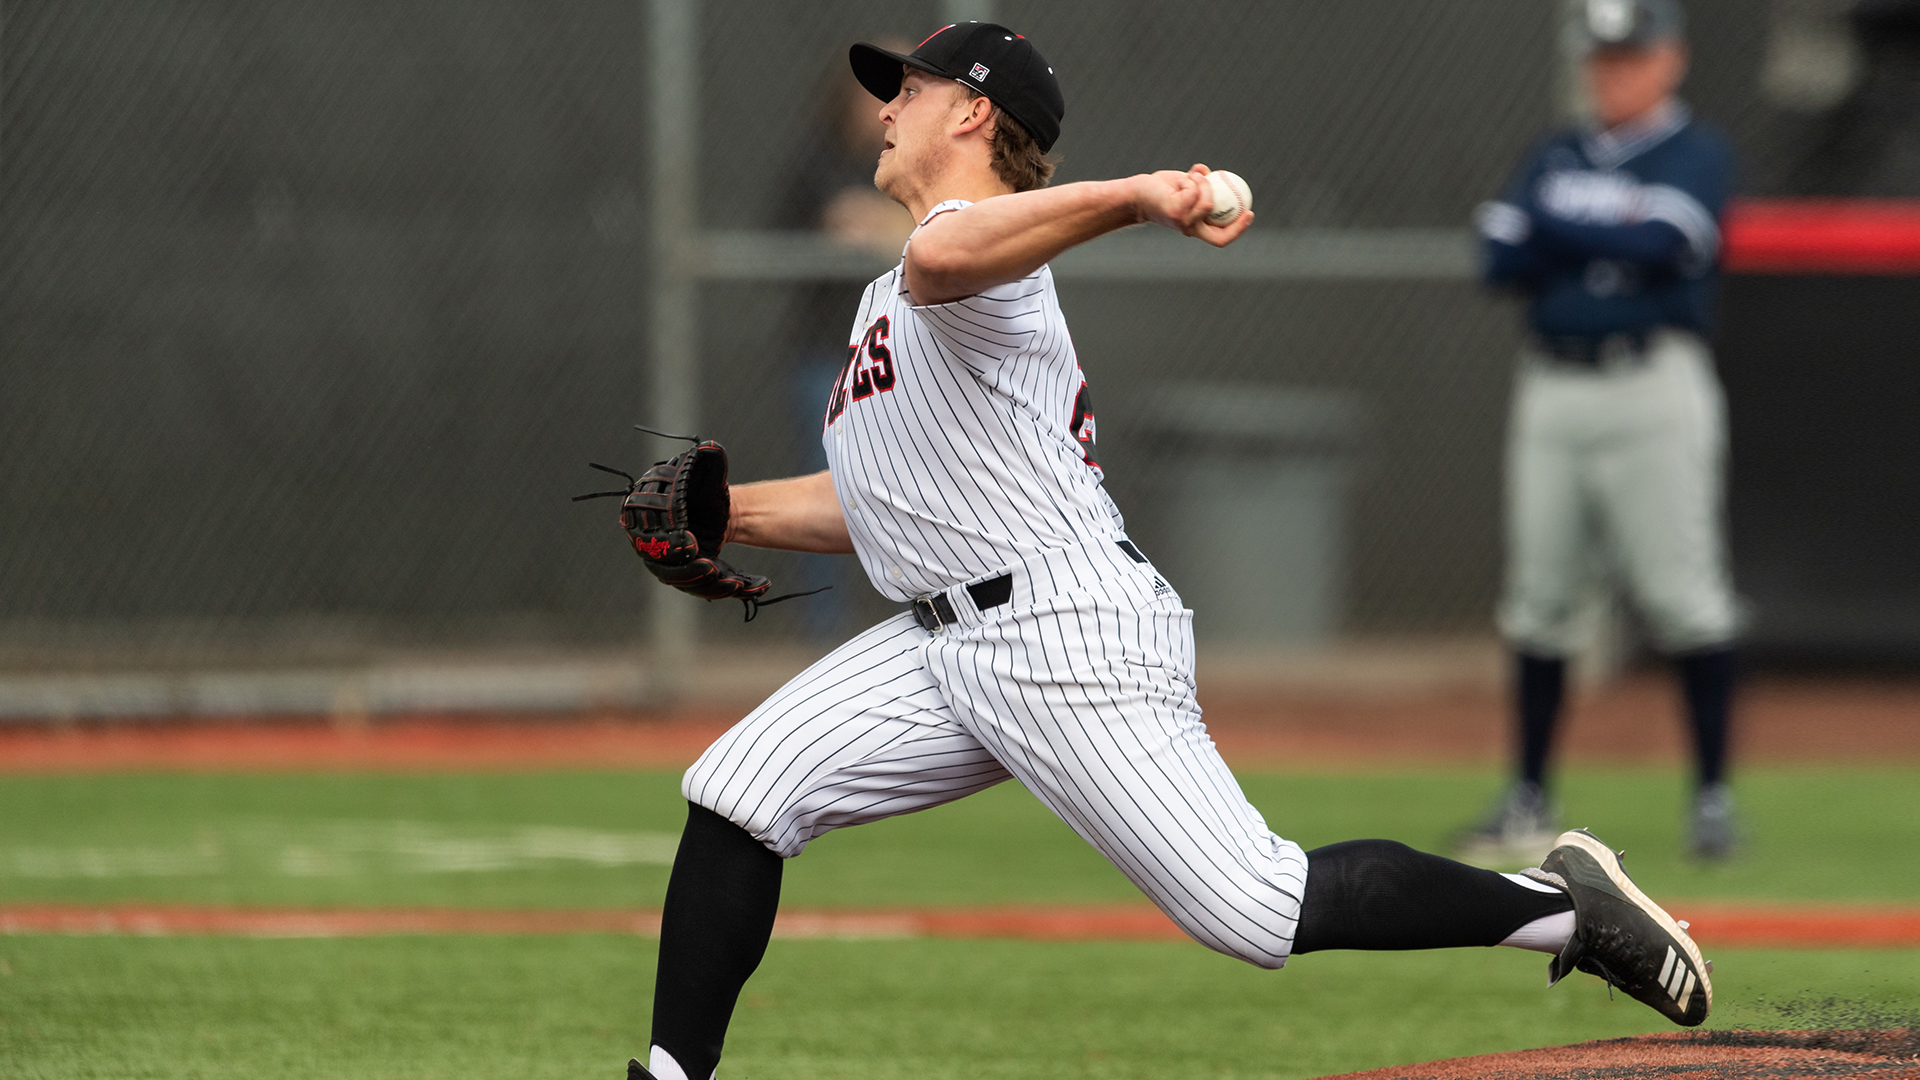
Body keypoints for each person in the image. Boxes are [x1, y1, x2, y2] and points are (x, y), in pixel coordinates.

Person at [625, 22, 1711, 1080]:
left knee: (1256, 907)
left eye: (907, 88)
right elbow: (885, 500)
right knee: (743, 790)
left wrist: (1141, 195)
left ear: (972, 110)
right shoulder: (898, 289)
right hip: (944, 639)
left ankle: (1561, 904)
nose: (887, 105)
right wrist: (730, 515)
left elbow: (958, 246)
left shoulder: (973, 259)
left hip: (1063, 631)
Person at [1461, 0, 1741, 865]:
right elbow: (1497, 260)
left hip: (1653, 382)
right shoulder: (1557, 149)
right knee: (1540, 601)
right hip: (1553, 385)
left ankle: (1711, 802)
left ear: (1670, 61)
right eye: (1602, 58)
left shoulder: (1697, 151)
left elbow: (1670, 244)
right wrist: (1600, 240)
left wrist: (1552, 230)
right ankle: (1528, 794)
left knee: (1683, 597)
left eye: (1630, 57)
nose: (1611, 72)